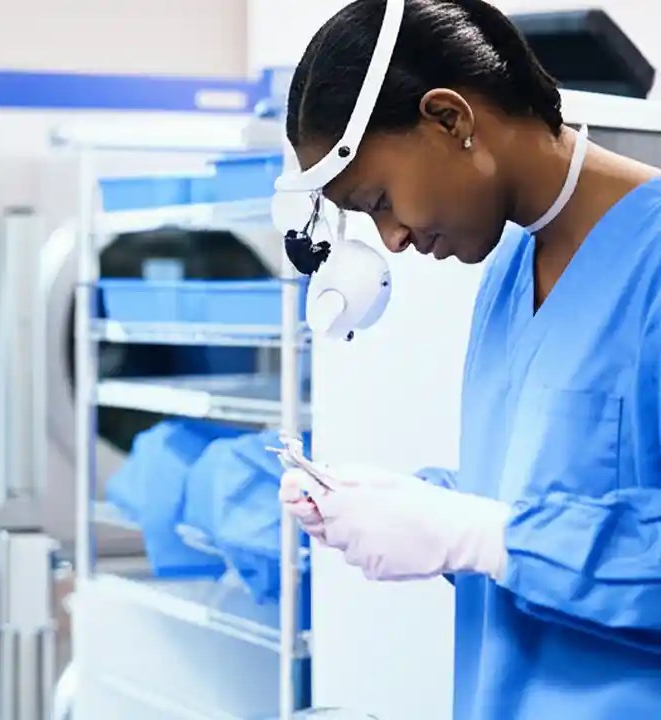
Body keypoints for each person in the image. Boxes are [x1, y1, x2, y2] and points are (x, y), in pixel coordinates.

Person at [276, 0, 661, 718]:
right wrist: (409, 508)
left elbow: (521, 533)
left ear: (450, 118)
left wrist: (481, 534)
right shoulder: (510, 269)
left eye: (381, 199)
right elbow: (548, 493)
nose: (389, 240)